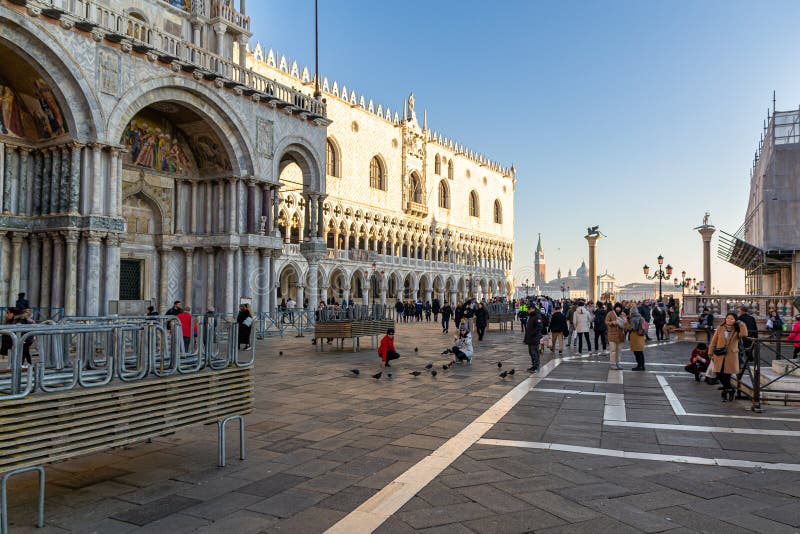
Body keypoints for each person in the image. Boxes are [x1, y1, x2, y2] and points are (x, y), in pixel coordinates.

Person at [709, 312, 747, 402]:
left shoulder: (737, 329)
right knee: (719, 373)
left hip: (731, 356)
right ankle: (730, 389)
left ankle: (725, 392)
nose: (729, 320)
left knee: (727, 375)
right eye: (728, 318)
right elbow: (714, 341)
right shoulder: (720, 328)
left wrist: (741, 324)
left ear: (735, 320)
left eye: (732, 319)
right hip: (719, 355)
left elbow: (744, 334)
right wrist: (710, 352)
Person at [524, 306, 544, 373]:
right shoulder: (531, 316)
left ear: (533, 308)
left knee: (535, 352)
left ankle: (536, 367)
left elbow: (539, 327)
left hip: (534, 338)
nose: (528, 310)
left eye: (529, 309)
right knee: (531, 353)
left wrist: (532, 334)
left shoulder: (537, 316)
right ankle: (533, 366)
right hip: (530, 338)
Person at [626, 305, 646, 370]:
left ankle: (639, 366)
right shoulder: (641, 317)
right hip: (641, 336)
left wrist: (626, 323)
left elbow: (631, 328)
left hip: (635, 337)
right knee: (641, 352)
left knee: (637, 352)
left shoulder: (633, 318)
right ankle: (642, 366)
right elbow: (645, 327)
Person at [606, 303, 625, 370]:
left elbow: (625, 323)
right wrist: (612, 323)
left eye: (619, 307)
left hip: (620, 335)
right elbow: (606, 321)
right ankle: (613, 364)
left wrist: (624, 322)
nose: (618, 309)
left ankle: (618, 363)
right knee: (613, 350)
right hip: (612, 334)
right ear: (615, 307)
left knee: (619, 350)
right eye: (617, 307)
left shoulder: (623, 314)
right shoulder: (610, 313)